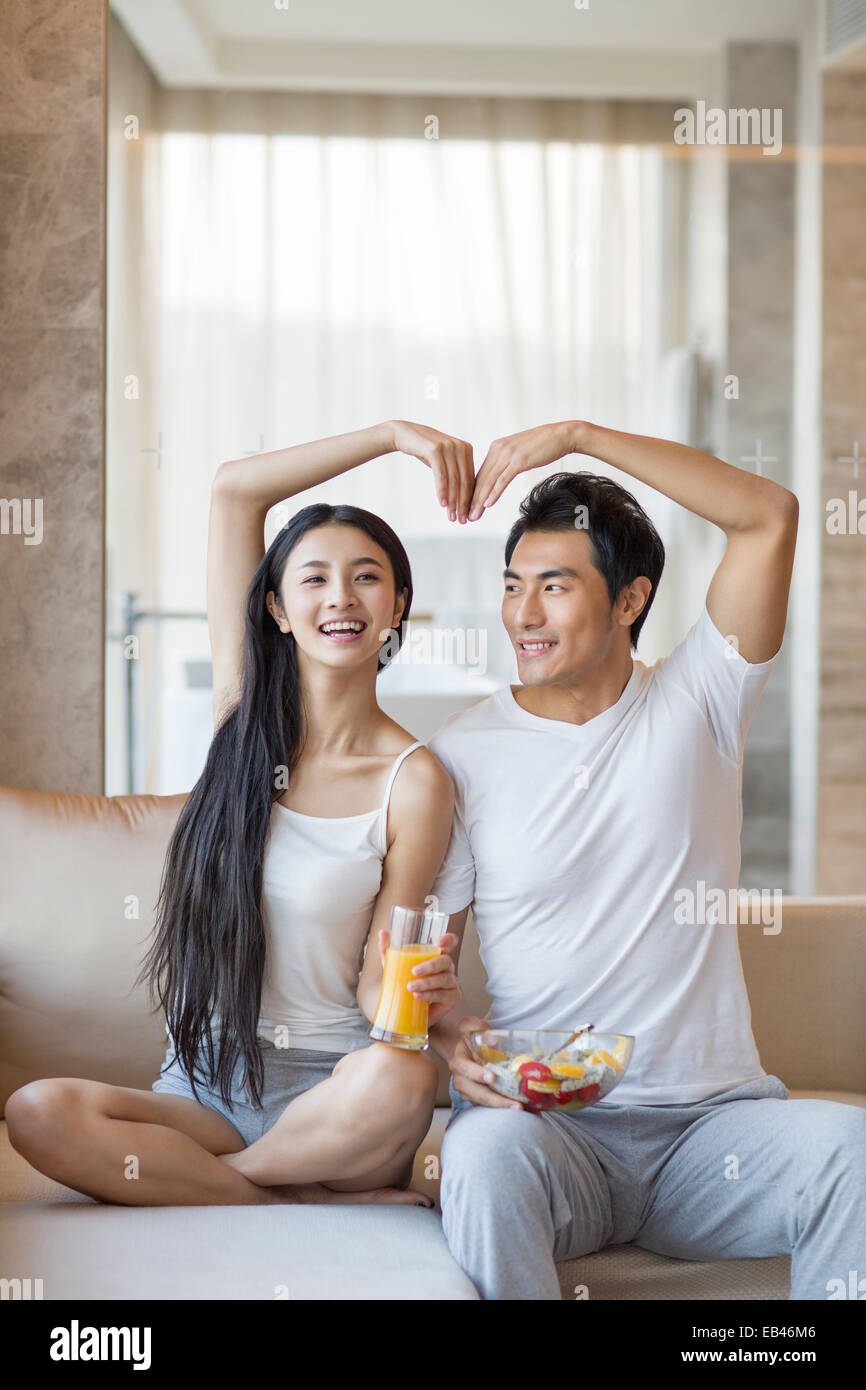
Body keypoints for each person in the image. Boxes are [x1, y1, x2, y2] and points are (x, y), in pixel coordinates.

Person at [425, 418, 866, 1299]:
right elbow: (425, 963)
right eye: (513, 586)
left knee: (851, 1152)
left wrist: (581, 438)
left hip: (712, 1132)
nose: (524, 613)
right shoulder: (459, 756)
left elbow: (769, 516)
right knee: (479, 1156)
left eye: (555, 586)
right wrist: (450, 1041)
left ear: (629, 600)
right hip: (553, 1127)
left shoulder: (702, 698)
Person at [5, 420, 475, 1209]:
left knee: (403, 1076)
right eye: (315, 578)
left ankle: (234, 1186)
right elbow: (234, 490)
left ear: (397, 606)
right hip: (204, 1095)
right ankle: (286, 1193)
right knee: (38, 1111)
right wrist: (393, 436)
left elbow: (375, 987)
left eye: (367, 578)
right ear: (279, 609)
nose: (341, 597)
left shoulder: (415, 779)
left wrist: (417, 997)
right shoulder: (240, 724)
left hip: (335, 1096)